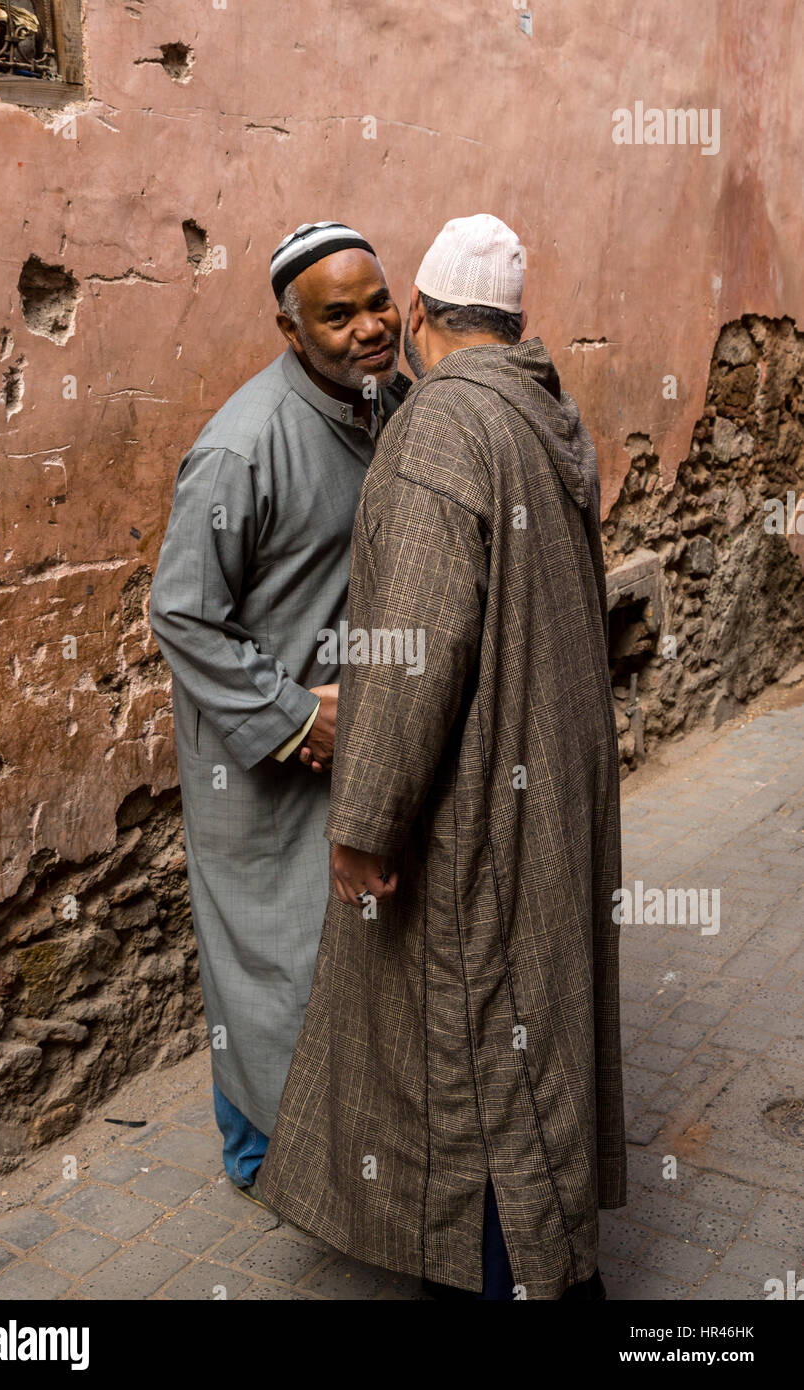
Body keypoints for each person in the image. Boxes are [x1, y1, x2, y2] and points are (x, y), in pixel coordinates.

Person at [258, 214, 626, 1297]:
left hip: (477, 810)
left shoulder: (437, 432)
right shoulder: (546, 411)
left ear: (418, 313)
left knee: (482, 1049)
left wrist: (364, 825)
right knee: (523, 1036)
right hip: (550, 781)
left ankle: (523, 1274)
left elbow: (411, 652)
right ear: (514, 322)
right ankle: (508, 1253)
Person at [149, 221, 409, 1202]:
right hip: (262, 762)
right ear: (289, 330)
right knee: (273, 972)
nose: (366, 327)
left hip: (354, 745)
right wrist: (295, 717)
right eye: (334, 316)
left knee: (354, 954)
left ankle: (348, 1150)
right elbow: (180, 610)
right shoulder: (240, 448)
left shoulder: (388, 396)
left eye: (376, 303)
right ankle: (261, 1160)